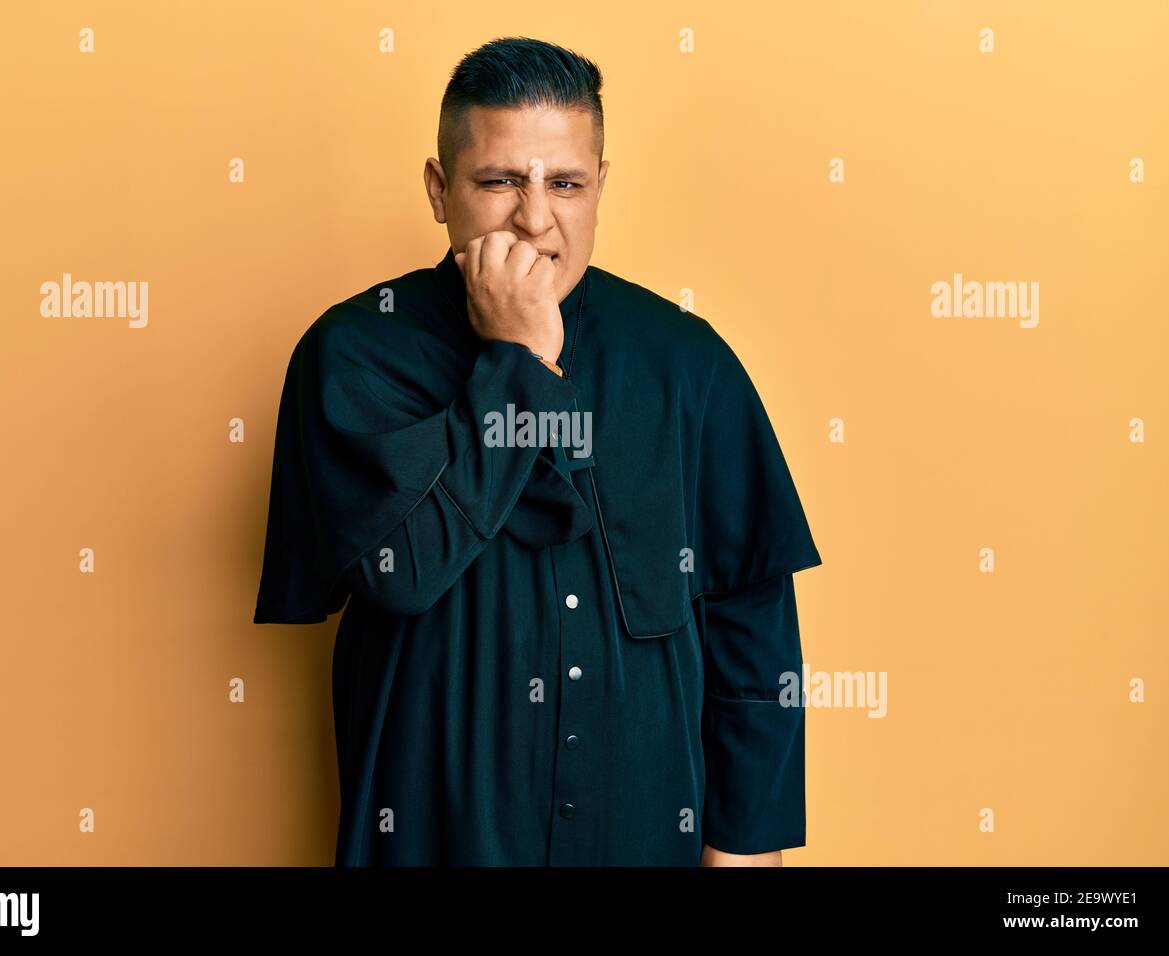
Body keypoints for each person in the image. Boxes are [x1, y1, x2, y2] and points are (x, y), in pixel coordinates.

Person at [252, 36, 823, 867]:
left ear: (600, 186)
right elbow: (401, 570)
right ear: (440, 190)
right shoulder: (354, 355)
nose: (536, 217)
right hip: (434, 837)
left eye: (564, 183)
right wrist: (519, 360)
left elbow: (751, 618)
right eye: (498, 182)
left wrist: (748, 847)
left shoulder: (687, 363)